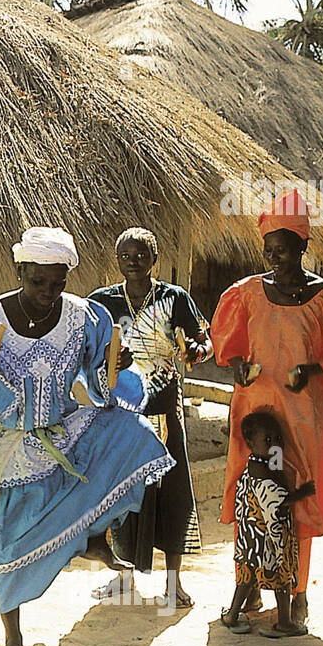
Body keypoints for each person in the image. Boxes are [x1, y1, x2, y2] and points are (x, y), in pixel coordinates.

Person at [0, 226, 173, 646]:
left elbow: (101, 381)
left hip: (59, 428)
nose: (48, 292)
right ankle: (13, 637)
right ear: (21, 270)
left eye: (57, 283)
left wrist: (113, 364)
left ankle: (92, 538)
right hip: (1, 442)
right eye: (38, 282)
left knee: (130, 433)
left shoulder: (83, 317)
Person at [211, 189, 323, 628]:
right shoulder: (246, 293)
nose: (276, 258)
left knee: (295, 496)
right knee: (251, 493)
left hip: (302, 414)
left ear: (303, 246)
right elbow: (227, 347)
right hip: (255, 412)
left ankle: (296, 595)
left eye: (285, 249)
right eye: (270, 251)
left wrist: (310, 368)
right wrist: (238, 367)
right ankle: (250, 584)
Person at [89, 227, 212, 607]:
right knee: (122, 492)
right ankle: (123, 578)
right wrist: (111, 360)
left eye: (141, 254)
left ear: (154, 258)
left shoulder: (174, 298)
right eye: (126, 255)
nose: (133, 261)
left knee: (173, 491)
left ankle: (173, 584)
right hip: (121, 410)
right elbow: (86, 351)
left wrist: (195, 348)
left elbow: (204, 343)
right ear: (117, 259)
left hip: (164, 407)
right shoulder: (102, 302)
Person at [221, 409, 315, 638]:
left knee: (247, 578)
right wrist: (302, 493)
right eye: (268, 440)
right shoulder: (261, 469)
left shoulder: (262, 463)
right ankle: (285, 621)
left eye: (278, 439)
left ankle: (233, 616)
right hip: (267, 540)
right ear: (251, 442)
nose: (275, 445)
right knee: (281, 580)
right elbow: (276, 501)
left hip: (252, 540)